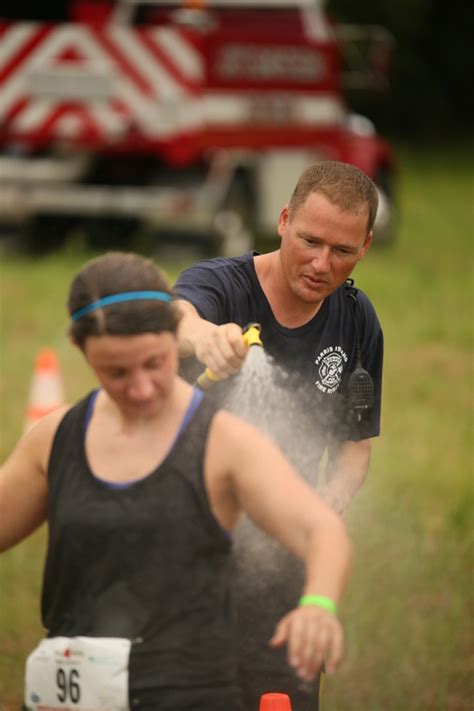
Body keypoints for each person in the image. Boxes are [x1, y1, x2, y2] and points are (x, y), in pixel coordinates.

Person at [0, 251, 352, 711]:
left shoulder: (224, 442)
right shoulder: (56, 439)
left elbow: (321, 530)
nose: (142, 387)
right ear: (84, 353)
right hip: (73, 696)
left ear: (174, 339)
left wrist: (319, 605)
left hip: (188, 693)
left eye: (154, 363)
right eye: (117, 372)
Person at [173, 160, 383, 710]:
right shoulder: (221, 284)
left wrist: (322, 510)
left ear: (364, 248)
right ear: (284, 220)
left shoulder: (358, 323)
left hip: (283, 558)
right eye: (310, 241)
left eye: (341, 251)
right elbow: (175, 316)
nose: (320, 264)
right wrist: (202, 337)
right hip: (188, 550)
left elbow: (354, 448)